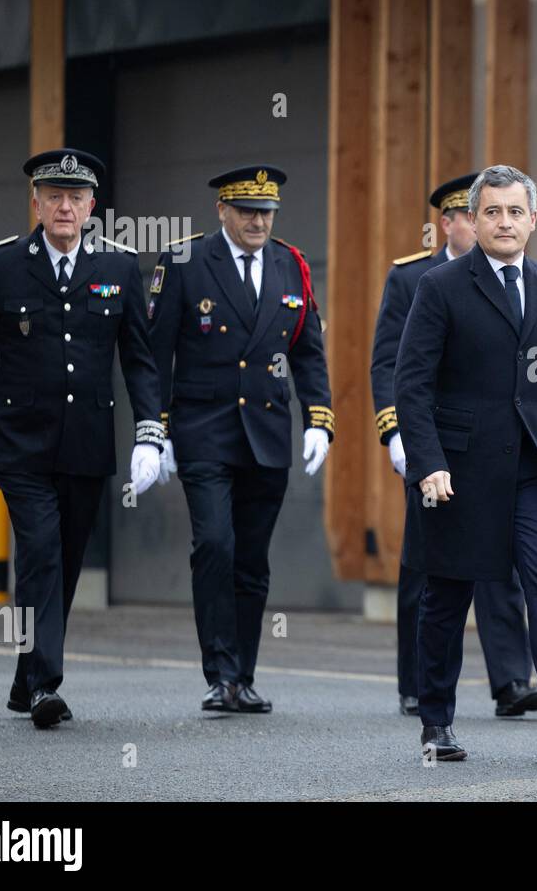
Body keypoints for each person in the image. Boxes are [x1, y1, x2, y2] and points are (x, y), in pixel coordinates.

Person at [394, 164, 537, 761]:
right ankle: (436, 722)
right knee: (447, 595)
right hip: (459, 473)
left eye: (514, 212)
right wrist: (428, 463)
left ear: (533, 221)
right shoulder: (439, 287)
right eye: (491, 211)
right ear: (472, 220)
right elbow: (411, 384)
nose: (503, 222)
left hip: (533, 472)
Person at [0, 148, 163, 728]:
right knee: (40, 552)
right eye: (54, 196)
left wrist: (150, 433)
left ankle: (26, 676)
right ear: (36, 203)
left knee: (65, 562)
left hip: (88, 443)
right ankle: (46, 684)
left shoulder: (119, 268)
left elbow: (139, 358)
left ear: (92, 206)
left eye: (76, 197)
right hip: (20, 442)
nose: (65, 206)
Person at [148, 165, 333, 713]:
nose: (258, 221)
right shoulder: (184, 260)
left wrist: (320, 417)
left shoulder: (291, 264)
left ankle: (243, 676)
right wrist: (153, 429)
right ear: (222, 211)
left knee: (251, 560)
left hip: (269, 432)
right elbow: (156, 353)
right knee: (215, 545)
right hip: (204, 430)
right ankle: (220, 673)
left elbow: (308, 351)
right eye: (248, 210)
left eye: (267, 211)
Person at [371, 173, 537, 718]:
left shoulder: (525, 282)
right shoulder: (418, 279)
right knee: (429, 571)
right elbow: (393, 366)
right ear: (450, 222)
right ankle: (418, 684)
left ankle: (511, 680)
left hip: (496, 452)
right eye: (477, 214)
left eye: (504, 212)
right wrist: (397, 435)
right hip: (433, 447)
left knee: (500, 569)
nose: (490, 223)